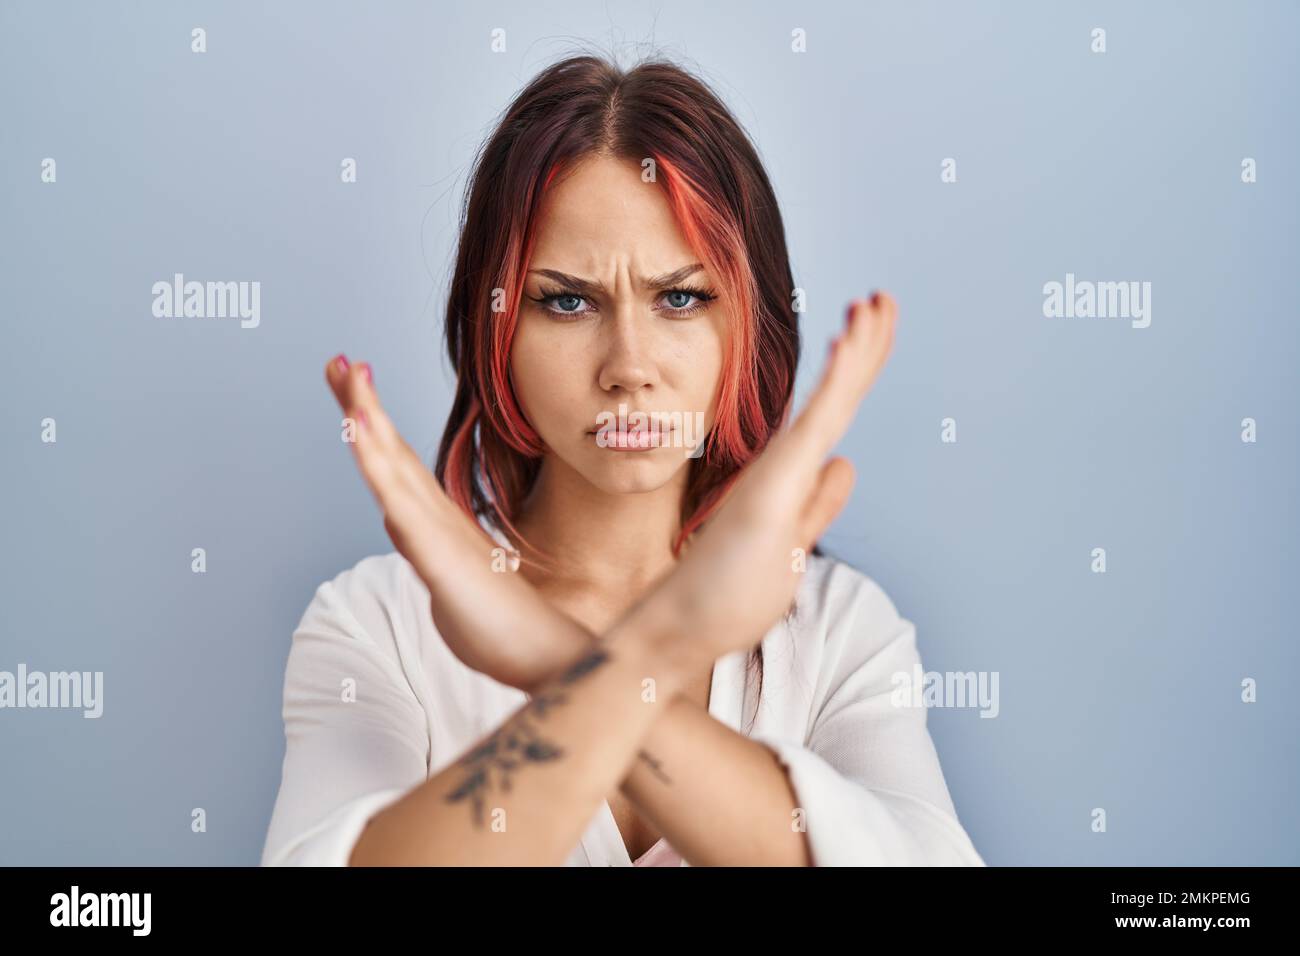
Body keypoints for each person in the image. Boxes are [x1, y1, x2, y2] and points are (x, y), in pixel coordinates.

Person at [260, 54, 984, 867]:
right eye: (568, 301)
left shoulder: (843, 631)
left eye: (681, 297)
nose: (628, 366)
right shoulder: (374, 625)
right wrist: (667, 643)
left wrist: (546, 654)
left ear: (751, 321)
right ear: (495, 325)